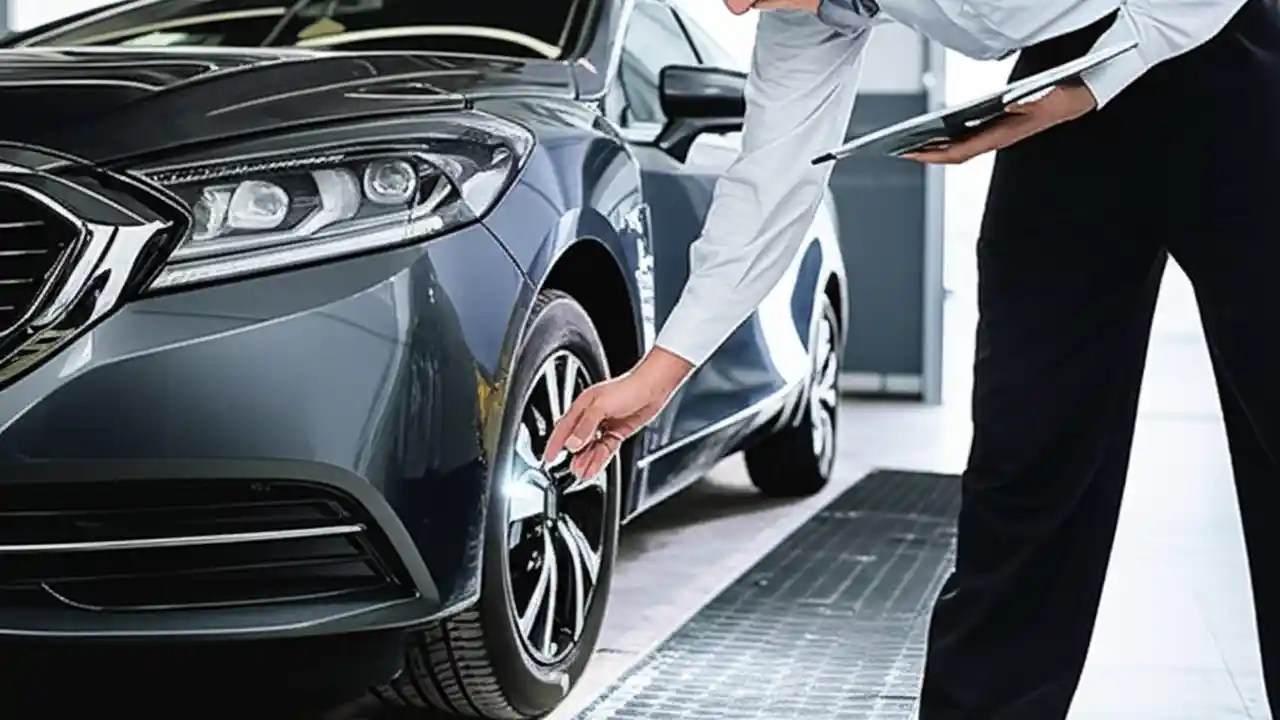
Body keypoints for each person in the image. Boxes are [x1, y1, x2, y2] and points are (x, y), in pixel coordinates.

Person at [546, 0, 1280, 717]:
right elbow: (771, 185)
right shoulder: (804, 18)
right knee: (1025, 453)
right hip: (1061, 92)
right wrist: (656, 375)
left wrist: (1087, 89)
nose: (739, 9)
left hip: (1229, 59)